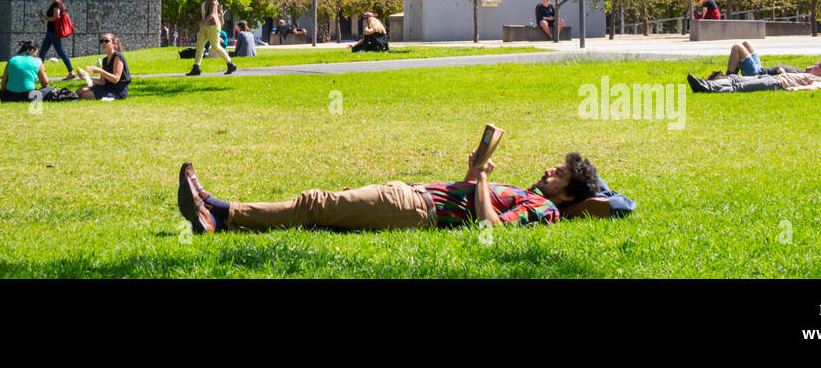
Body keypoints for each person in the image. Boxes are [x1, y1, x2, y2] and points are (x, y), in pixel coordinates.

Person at [177, 148, 635, 235]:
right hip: (415, 195)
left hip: (418, 209)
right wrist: (477, 177)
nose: (547, 172)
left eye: (557, 175)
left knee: (317, 203)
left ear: (568, 196)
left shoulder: (544, 211)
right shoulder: (537, 194)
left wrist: (481, 179)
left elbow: (490, 228)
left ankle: (220, 211)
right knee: (322, 207)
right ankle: (221, 215)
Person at [688, 60, 821, 94]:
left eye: (817, 65)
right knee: (735, 79)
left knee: (740, 87)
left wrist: (798, 88)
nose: (813, 66)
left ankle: (707, 88)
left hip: (777, 83)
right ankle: (704, 83)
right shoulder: (805, 73)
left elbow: (815, 87)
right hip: (772, 77)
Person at [188, 0, 237, 76]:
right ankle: (196, 67)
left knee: (215, 46)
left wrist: (202, 23)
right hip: (206, 26)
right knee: (200, 45)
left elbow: (212, 14)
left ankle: (230, 64)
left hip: (213, 25)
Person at [74, 33, 131, 100]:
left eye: (106, 41)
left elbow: (116, 79)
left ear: (114, 44)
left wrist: (100, 70)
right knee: (79, 91)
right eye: (101, 41)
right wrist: (86, 78)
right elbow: (102, 82)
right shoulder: (105, 60)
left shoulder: (118, 56)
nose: (103, 43)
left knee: (86, 95)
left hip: (117, 91)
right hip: (106, 87)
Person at [36, 0, 75, 77]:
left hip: (54, 32)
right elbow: (52, 18)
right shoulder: (54, 3)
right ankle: (40, 73)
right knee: (42, 52)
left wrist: (45, 18)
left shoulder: (56, 3)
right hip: (50, 32)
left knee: (60, 52)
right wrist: (43, 17)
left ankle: (71, 72)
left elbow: (56, 17)